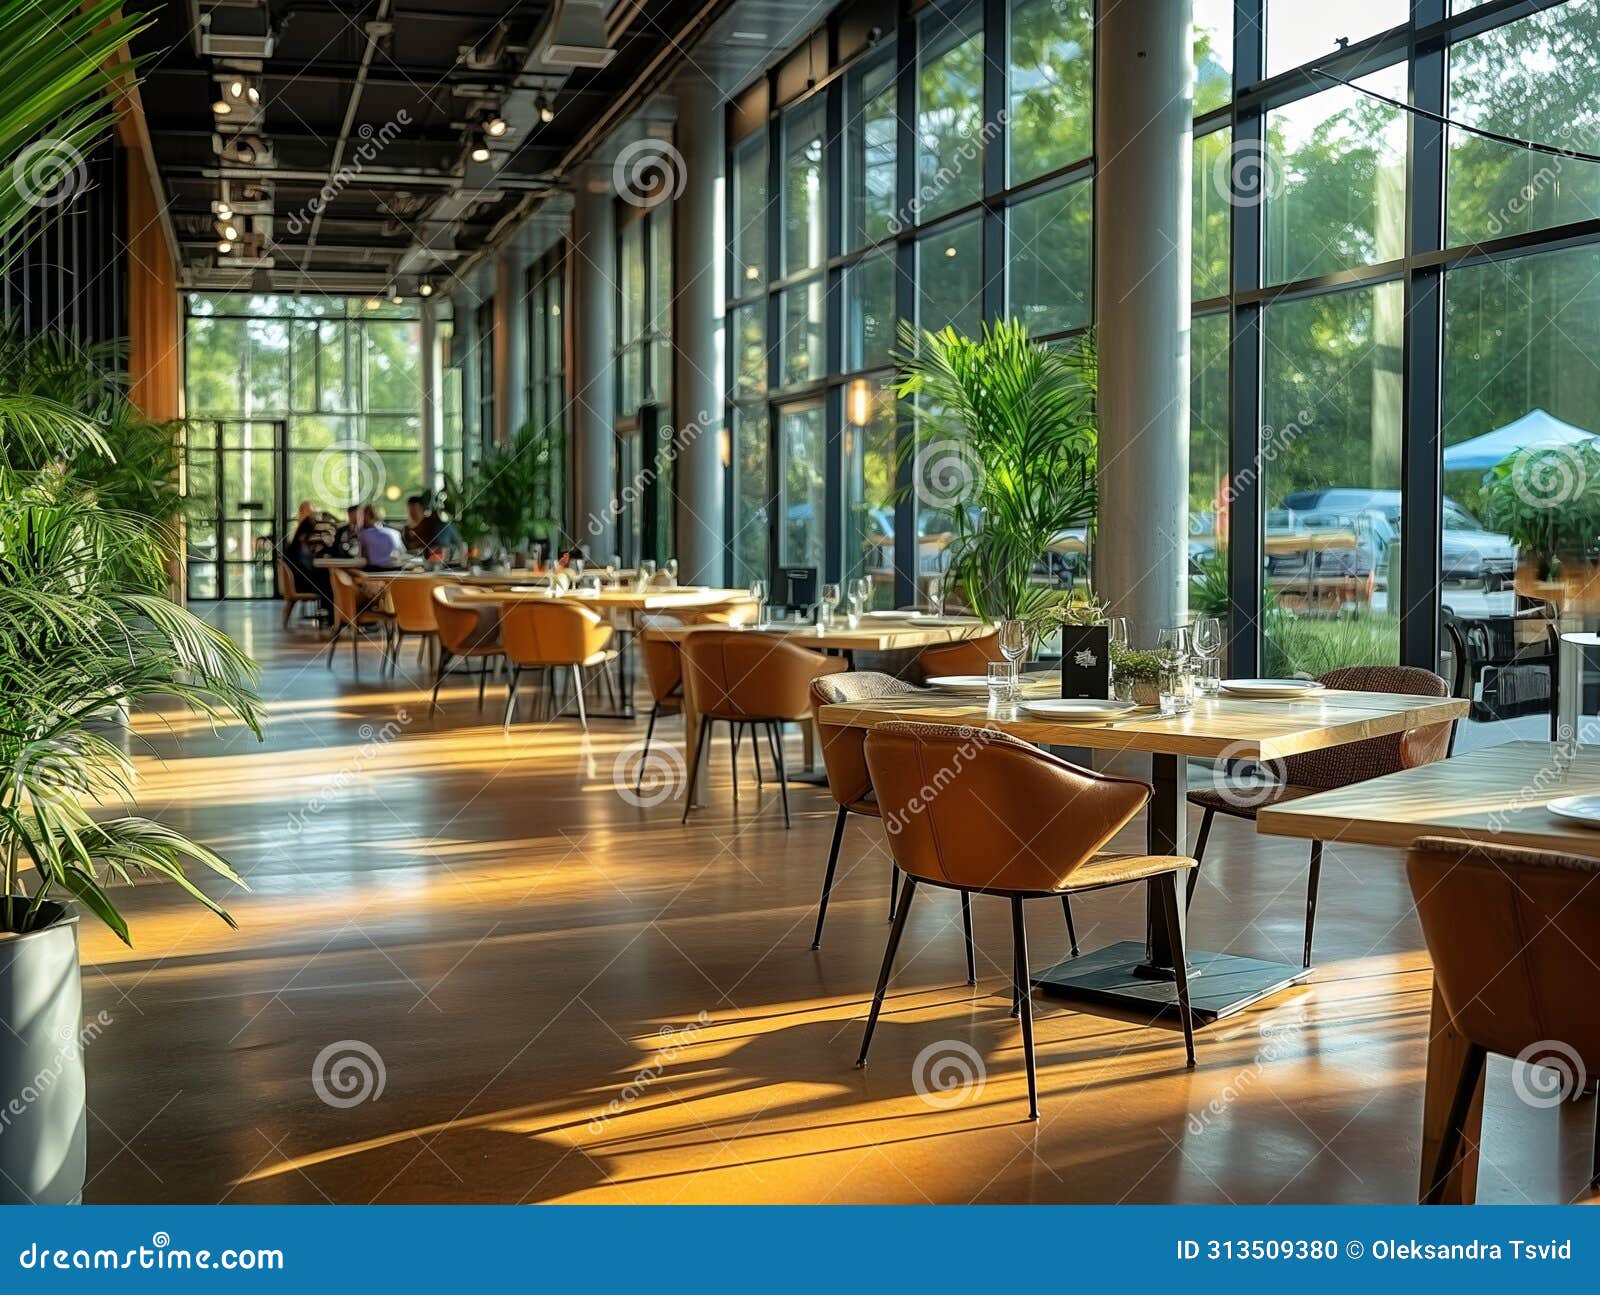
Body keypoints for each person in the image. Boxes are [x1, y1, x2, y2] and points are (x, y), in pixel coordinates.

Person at [284, 514, 334, 613]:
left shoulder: (297, 546)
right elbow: (303, 568)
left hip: (301, 581)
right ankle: (331, 615)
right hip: (301, 584)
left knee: (327, 579)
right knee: (330, 583)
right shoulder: (297, 548)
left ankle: (330, 614)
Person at [358, 504, 405, 568]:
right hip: (397, 568)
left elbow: (361, 559)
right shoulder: (395, 533)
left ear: (367, 516)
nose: (359, 520)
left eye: (361, 516)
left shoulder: (364, 535)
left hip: (375, 571)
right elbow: (402, 553)